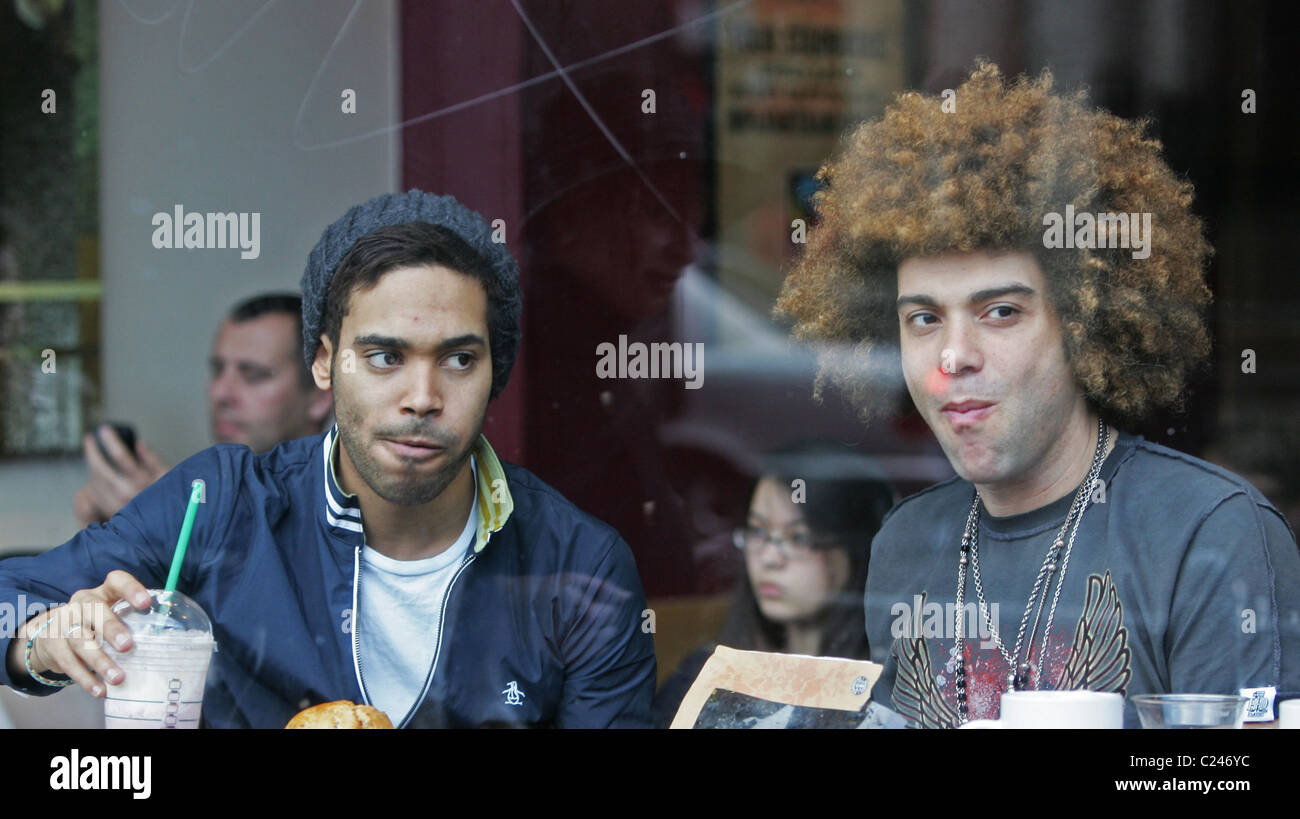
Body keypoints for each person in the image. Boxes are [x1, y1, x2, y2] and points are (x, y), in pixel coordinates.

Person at [0, 190, 656, 728]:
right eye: (385, 356)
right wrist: (42, 642)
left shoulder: (576, 563)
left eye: (459, 358)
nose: (422, 398)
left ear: (495, 371)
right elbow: (9, 602)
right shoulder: (222, 504)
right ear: (323, 362)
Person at [775, 62, 1300, 728]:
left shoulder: (1210, 530)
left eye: (1000, 312)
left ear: (1086, 325)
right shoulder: (905, 544)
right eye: (924, 318)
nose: (954, 356)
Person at [653, 443, 895, 726]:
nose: (769, 558)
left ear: (855, 549)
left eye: (799, 538)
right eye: (757, 531)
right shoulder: (707, 673)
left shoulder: (891, 690)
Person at [73, 293, 334, 526]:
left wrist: (171, 524)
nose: (220, 392)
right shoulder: (211, 490)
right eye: (218, 370)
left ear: (320, 397)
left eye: (253, 374)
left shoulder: (347, 514)